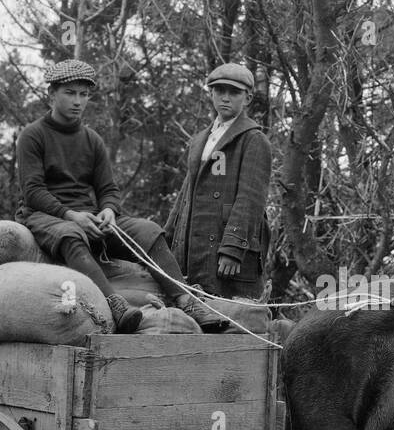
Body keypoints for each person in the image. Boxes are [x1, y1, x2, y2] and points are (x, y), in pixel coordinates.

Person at [15, 59, 225, 332]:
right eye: (70, 93)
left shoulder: (92, 140)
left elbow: (108, 190)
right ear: (51, 94)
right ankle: (115, 304)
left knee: (148, 229)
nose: (78, 101)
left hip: (86, 213)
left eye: (84, 94)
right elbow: (33, 191)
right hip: (46, 215)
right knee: (71, 234)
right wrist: (71, 216)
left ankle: (186, 300)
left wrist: (109, 210)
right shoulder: (33, 136)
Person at [166, 63, 272, 301]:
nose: (225, 98)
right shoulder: (200, 140)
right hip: (193, 248)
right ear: (211, 93)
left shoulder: (254, 140)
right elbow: (185, 196)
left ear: (247, 98)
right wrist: (167, 240)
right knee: (191, 316)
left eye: (234, 92)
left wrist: (233, 249)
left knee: (231, 319)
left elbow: (251, 200)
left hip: (227, 251)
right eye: (219, 90)